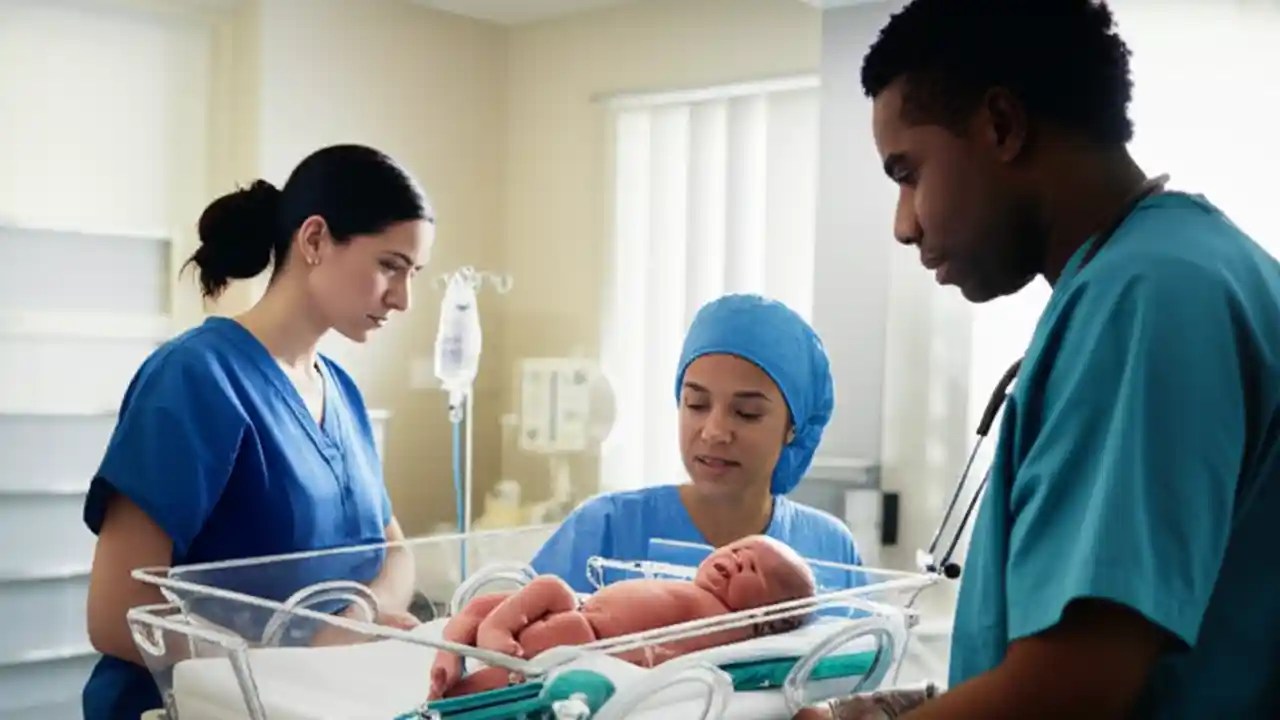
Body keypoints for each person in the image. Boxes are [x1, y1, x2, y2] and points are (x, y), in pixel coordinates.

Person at [805, 1, 1280, 718]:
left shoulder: (1149, 297)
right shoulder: (1174, 271)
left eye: (908, 173)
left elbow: (1074, 688)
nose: (904, 225)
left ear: (1001, 126)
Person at [82, 144, 435, 720]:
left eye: (413, 274)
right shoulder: (196, 377)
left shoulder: (338, 390)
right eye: (390, 266)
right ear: (315, 240)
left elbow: (393, 552)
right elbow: (117, 612)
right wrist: (294, 657)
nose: (402, 298)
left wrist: (355, 624)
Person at [529, 293, 861, 594]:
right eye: (696, 404)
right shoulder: (606, 529)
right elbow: (512, 648)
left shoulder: (830, 548)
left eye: (747, 413)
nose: (714, 431)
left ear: (794, 427)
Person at [430, 535, 815, 699]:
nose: (733, 560)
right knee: (482, 607)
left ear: (769, 616)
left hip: (583, 636)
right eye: (734, 550)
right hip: (578, 609)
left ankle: (455, 693)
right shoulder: (698, 592)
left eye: (750, 568)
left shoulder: (731, 627)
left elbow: (669, 652)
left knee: (513, 656)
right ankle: (450, 655)